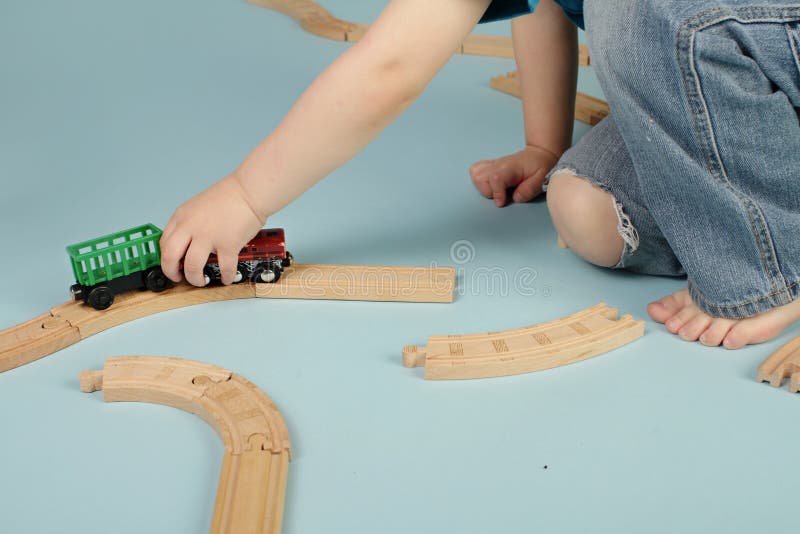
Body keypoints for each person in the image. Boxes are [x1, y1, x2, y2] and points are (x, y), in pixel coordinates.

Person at [160, 0, 800, 349]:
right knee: (587, 213)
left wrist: (246, 193)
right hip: (731, 79)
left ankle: (766, 271)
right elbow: (542, 3)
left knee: (636, 10)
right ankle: (759, 198)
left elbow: (391, 68)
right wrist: (542, 146)